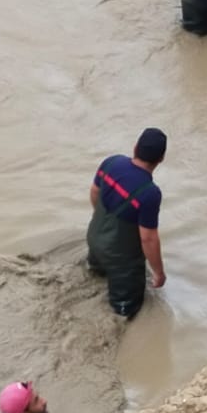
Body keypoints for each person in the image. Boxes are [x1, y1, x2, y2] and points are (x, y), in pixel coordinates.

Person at [85, 128, 168, 320]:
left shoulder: (111, 162)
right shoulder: (150, 193)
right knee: (125, 315)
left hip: (94, 238)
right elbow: (148, 238)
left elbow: (94, 192)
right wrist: (159, 272)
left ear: (135, 147)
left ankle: (96, 269)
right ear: (161, 159)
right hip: (121, 261)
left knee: (94, 276)